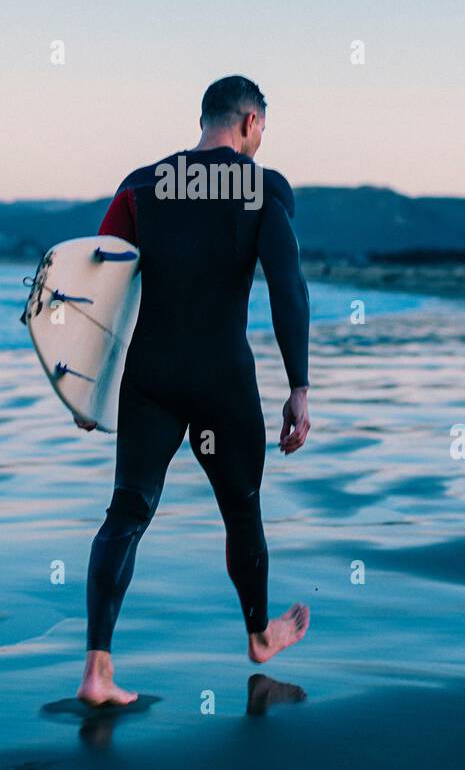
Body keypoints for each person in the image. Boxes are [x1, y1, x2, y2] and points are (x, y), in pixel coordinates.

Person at [76, 75, 311, 705]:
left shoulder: (139, 185)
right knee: (243, 509)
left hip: (148, 379)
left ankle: (97, 672)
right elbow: (288, 287)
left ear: (204, 118)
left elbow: (101, 288)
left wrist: (86, 388)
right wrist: (299, 387)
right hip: (222, 382)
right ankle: (259, 637)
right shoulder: (264, 189)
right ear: (251, 123)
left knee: (127, 512)